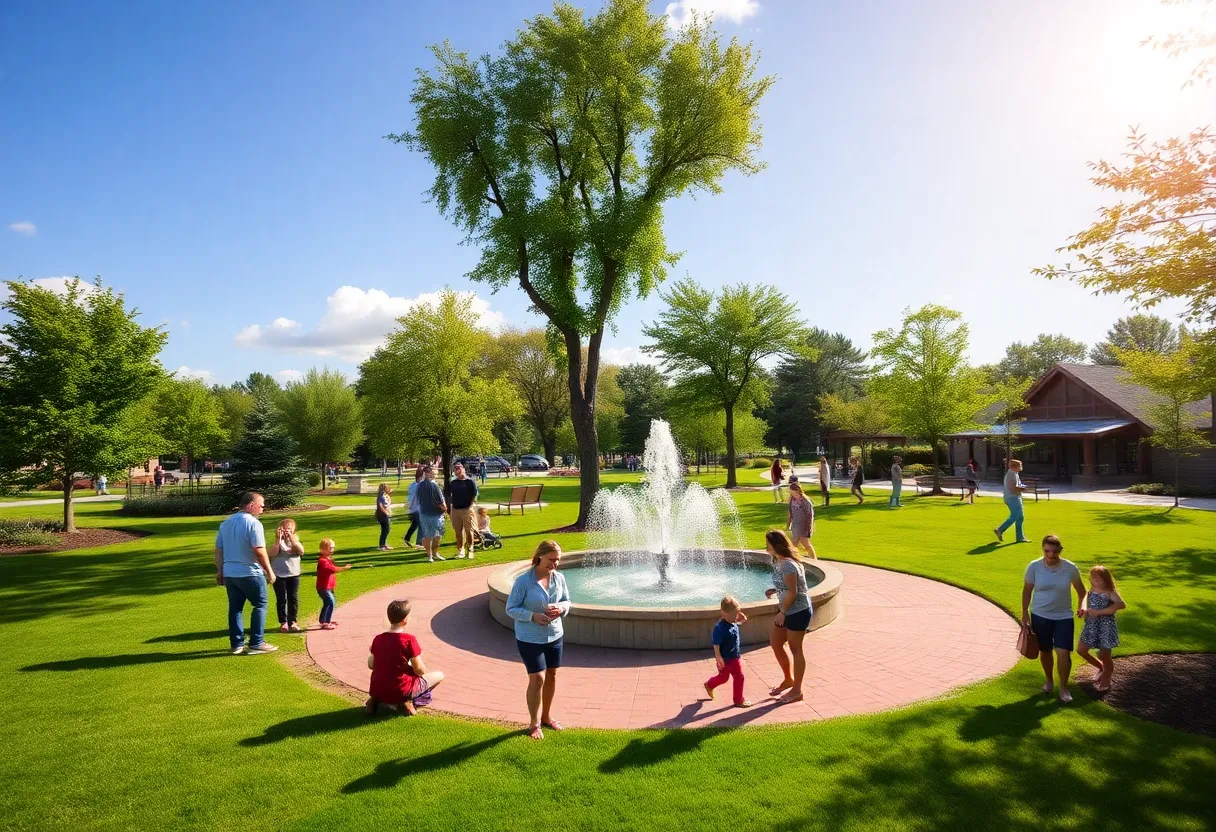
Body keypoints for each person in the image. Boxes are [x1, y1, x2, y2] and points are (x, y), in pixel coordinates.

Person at [505, 540, 570, 740]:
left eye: (557, 560)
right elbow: (511, 608)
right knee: (537, 678)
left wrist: (561, 608)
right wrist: (532, 616)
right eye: (551, 559)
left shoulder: (559, 578)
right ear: (540, 556)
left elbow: (567, 600)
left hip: (555, 634)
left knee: (552, 675)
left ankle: (546, 717)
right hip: (529, 637)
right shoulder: (523, 581)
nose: (555, 563)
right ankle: (534, 723)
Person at [1021, 534, 1086, 703]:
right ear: (1043, 549)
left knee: (1063, 652)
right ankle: (1049, 680)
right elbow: (1027, 591)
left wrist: (1081, 606)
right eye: (1047, 551)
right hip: (1040, 615)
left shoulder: (1070, 568)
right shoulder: (1034, 567)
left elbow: (1082, 591)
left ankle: (1064, 688)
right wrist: (1025, 613)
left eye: (1055, 552)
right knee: (1045, 650)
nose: (1051, 555)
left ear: (1060, 550)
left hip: (1064, 616)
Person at [214, 491, 277, 655]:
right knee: (260, 605)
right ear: (251, 505)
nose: (262, 509)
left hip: (230, 573)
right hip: (250, 572)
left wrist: (220, 570)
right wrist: (269, 571)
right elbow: (259, 550)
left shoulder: (226, 523)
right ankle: (257, 642)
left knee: (235, 608)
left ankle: (237, 644)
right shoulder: (254, 524)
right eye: (261, 506)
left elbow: (219, 550)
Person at [366, 599, 445, 716]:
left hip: (376, 689)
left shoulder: (378, 639)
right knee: (439, 675)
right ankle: (407, 702)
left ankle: (375, 701)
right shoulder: (408, 639)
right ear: (405, 620)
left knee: (388, 678)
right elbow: (420, 670)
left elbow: (371, 664)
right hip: (401, 690)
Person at [764, 530, 812, 703]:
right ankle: (788, 679)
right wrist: (776, 590)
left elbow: (793, 591)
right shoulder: (779, 561)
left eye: (768, 544)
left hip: (798, 611)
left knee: (795, 649)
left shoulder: (788, 565)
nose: (766, 548)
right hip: (786, 609)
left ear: (776, 545)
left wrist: (782, 612)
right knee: (776, 643)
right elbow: (788, 587)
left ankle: (797, 691)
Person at [1077, 565, 1126, 692]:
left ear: (1105, 579)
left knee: (1105, 654)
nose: (1094, 581)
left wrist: (1100, 612)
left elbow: (1121, 604)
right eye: (1092, 578)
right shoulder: (1092, 590)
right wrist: (1083, 610)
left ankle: (1106, 678)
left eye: (1097, 578)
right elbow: (1086, 599)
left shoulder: (1110, 592)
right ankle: (1101, 667)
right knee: (1081, 650)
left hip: (1106, 627)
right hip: (1091, 626)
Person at [703, 595, 751, 707]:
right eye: (733, 614)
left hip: (735, 657)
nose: (736, 617)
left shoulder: (733, 622)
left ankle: (738, 700)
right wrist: (718, 657)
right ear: (724, 613)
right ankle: (709, 685)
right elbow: (716, 644)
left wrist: (740, 615)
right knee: (723, 678)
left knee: (739, 677)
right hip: (725, 659)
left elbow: (742, 620)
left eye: (736, 613)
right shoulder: (719, 628)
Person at [270, 518, 304, 633]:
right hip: (279, 574)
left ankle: (293, 621)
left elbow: (301, 551)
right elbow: (272, 554)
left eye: (289, 529)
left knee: (293, 598)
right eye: (283, 529)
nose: (286, 531)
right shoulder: (277, 542)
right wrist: (278, 539)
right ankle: (283, 622)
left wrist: (291, 538)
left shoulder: (296, 541)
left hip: (293, 574)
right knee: (281, 599)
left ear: (293, 531)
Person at [316, 538, 353, 630]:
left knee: (328, 602)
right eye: (330, 548)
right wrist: (344, 568)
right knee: (330, 602)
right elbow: (333, 569)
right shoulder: (323, 561)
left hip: (328, 587)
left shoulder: (327, 559)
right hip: (324, 587)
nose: (332, 550)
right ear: (322, 549)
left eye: (333, 548)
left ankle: (323, 620)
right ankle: (326, 622)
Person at [446, 462, 479, 559]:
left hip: (467, 509)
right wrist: (449, 507)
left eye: (459, 468)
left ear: (463, 469)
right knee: (458, 532)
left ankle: (470, 549)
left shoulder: (470, 481)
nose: (458, 470)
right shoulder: (453, 482)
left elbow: (474, 495)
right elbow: (448, 495)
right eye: (456, 469)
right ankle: (461, 550)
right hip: (455, 509)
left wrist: (470, 505)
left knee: (469, 530)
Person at [416, 466, 447, 563]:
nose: (435, 473)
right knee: (434, 535)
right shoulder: (433, 485)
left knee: (431, 535)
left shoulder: (419, 485)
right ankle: (433, 554)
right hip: (434, 513)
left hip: (424, 512)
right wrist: (445, 509)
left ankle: (432, 554)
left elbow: (418, 499)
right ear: (428, 473)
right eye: (434, 472)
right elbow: (440, 501)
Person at [995, 459, 1028, 543]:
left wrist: (1021, 487)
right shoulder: (1011, 474)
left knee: (1020, 517)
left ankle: (1020, 537)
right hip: (1012, 498)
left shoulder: (1015, 473)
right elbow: (1013, 488)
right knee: (1015, 516)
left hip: (1015, 497)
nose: (1021, 467)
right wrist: (1022, 489)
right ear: (1015, 466)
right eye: (1020, 465)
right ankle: (1000, 529)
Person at [786, 482, 817, 559]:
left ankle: (813, 559)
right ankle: (793, 558)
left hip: (804, 525)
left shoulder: (805, 501)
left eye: (790, 490)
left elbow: (810, 515)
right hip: (796, 524)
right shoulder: (791, 500)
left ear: (796, 491)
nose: (789, 491)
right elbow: (790, 513)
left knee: (803, 543)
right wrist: (788, 525)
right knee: (795, 543)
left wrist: (809, 527)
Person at [402, 467, 424, 550]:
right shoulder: (418, 486)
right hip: (416, 508)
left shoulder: (412, 485)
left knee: (415, 524)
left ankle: (407, 538)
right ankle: (419, 542)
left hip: (413, 508)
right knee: (419, 524)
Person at [375, 483, 394, 552]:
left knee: (386, 530)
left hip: (385, 514)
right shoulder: (380, 496)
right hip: (382, 515)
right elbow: (380, 506)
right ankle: (381, 545)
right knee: (385, 530)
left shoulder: (384, 495)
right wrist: (386, 512)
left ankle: (384, 544)